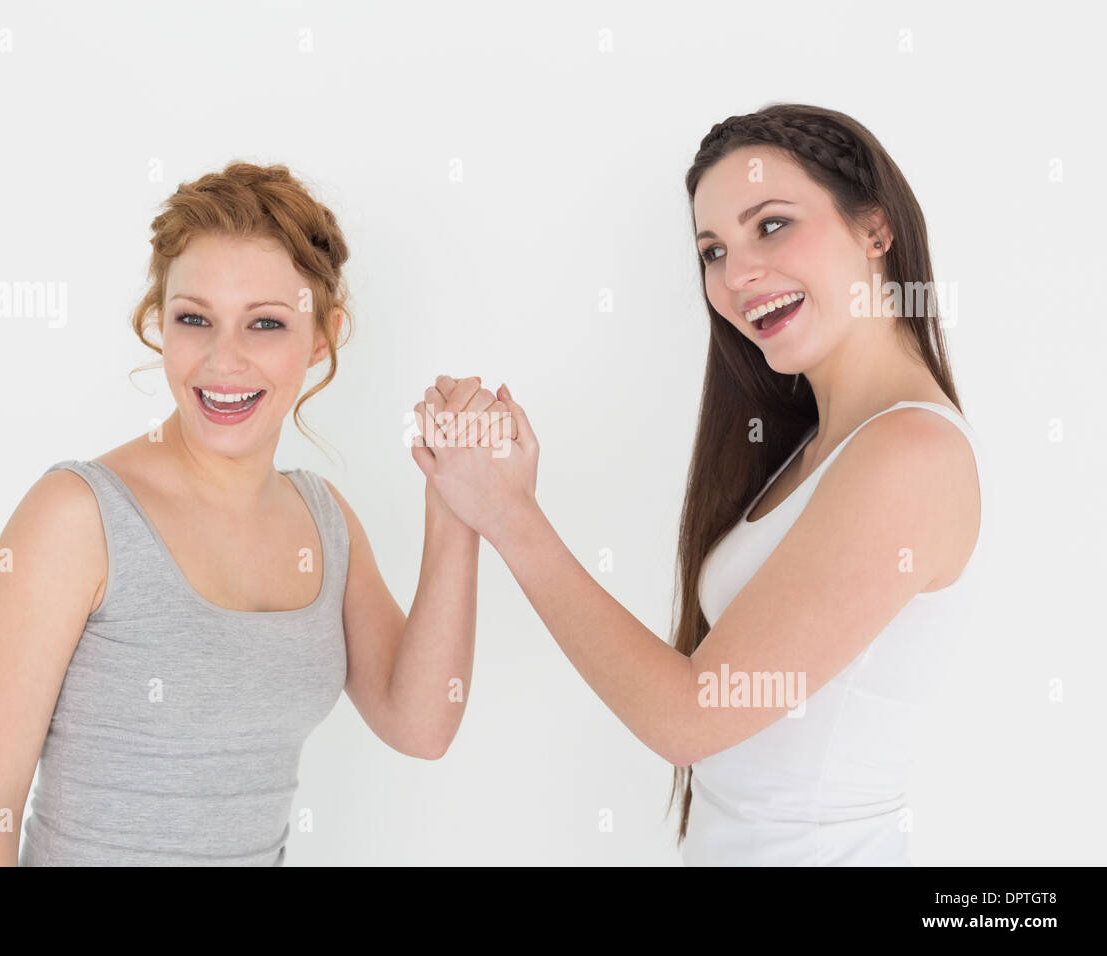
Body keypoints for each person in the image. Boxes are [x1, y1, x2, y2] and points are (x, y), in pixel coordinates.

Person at [413, 103, 985, 865]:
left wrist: (510, 514)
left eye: (772, 225)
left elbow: (691, 716)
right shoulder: (815, 450)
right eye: (713, 249)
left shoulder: (912, 454)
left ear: (875, 230)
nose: (738, 273)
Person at [0, 161, 515, 865]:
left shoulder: (324, 524)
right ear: (160, 320)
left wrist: (453, 501)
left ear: (324, 336)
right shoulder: (77, 518)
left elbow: (420, 723)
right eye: (194, 319)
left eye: (266, 323)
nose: (223, 359)